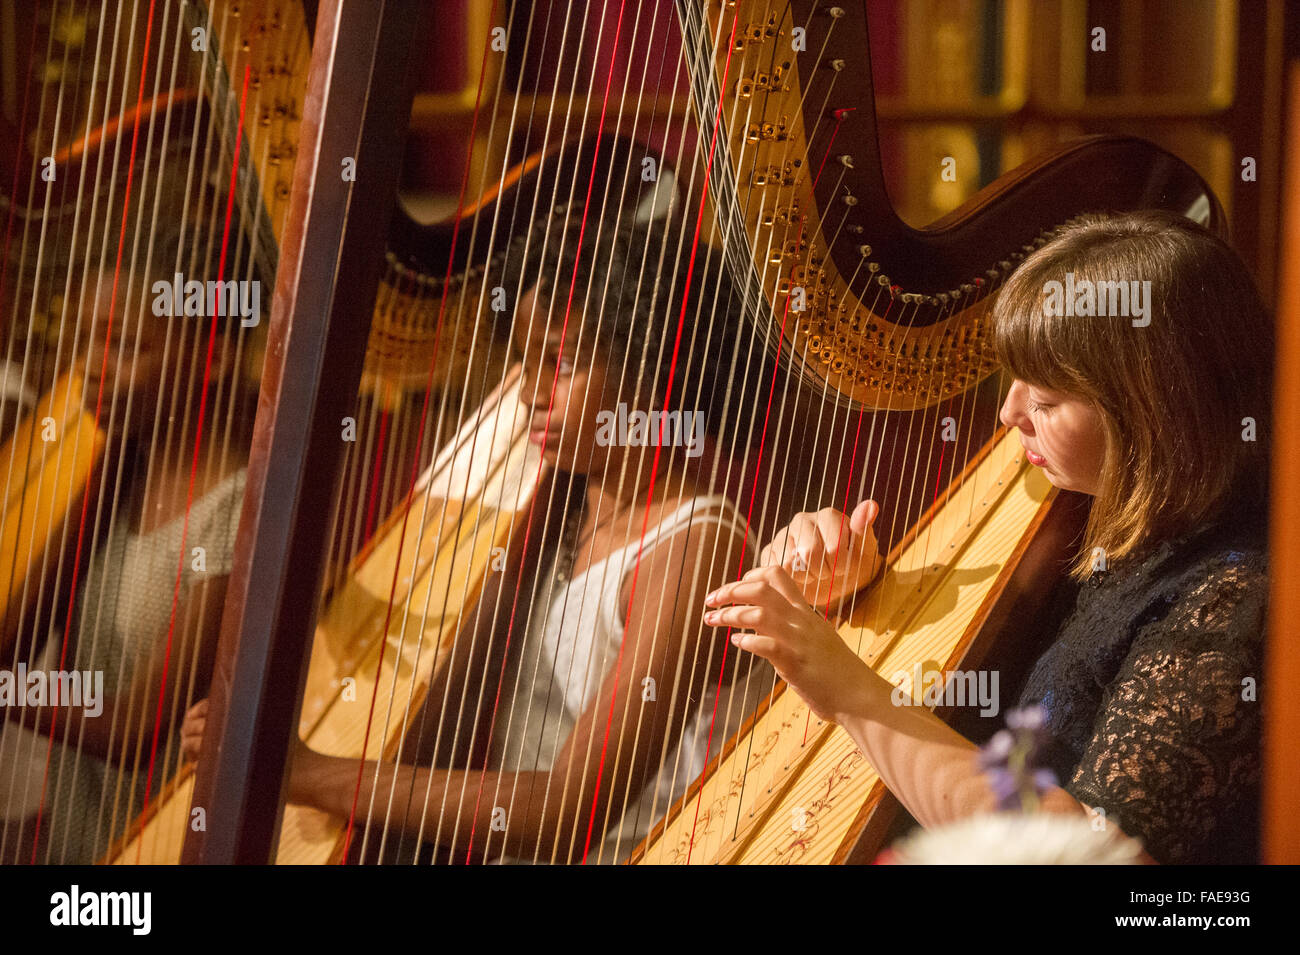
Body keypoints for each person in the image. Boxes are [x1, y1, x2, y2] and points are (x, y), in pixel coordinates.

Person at [184, 209, 775, 864]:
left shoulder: (697, 545)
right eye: (523, 362)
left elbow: (564, 812)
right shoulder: (558, 508)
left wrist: (302, 773)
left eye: (562, 364)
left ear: (659, 370)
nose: (529, 395)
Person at [703, 210, 1270, 865]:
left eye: (1048, 399)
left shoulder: (1230, 597)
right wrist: (860, 585)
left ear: (1152, 409)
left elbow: (1090, 850)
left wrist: (852, 692)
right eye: (1013, 378)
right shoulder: (1105, 516)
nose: (1008, 413)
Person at [0, 212, 257, 864]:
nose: (92, 368)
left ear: (215, 354)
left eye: (124, 346)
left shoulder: (232, 518)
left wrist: (10, 691)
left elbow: (136, 726)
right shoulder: (118, 470)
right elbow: (18, 640)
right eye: (86, 340)